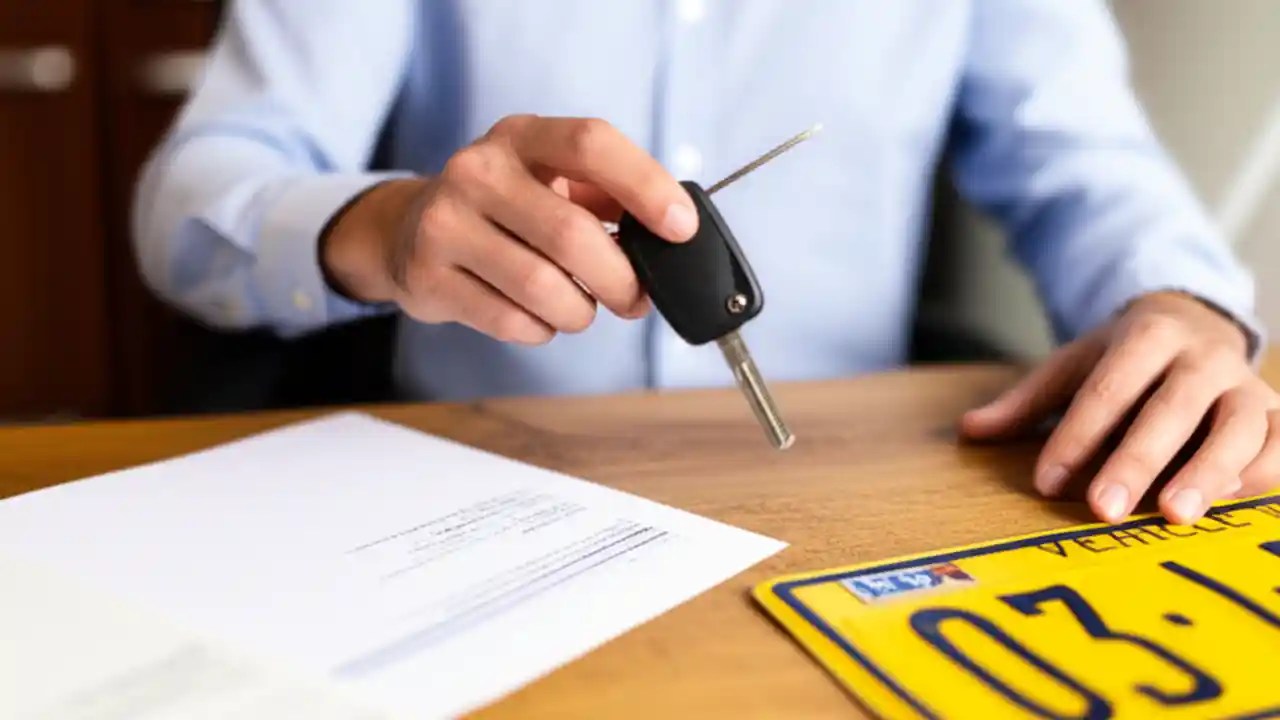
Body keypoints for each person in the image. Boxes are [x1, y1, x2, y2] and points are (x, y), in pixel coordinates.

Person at [135, 1, 1278, 526]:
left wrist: (1184, 306)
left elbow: (1083, 161)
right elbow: (193, 201)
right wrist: (383, 228)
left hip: (841, 508)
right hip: (455, 496)